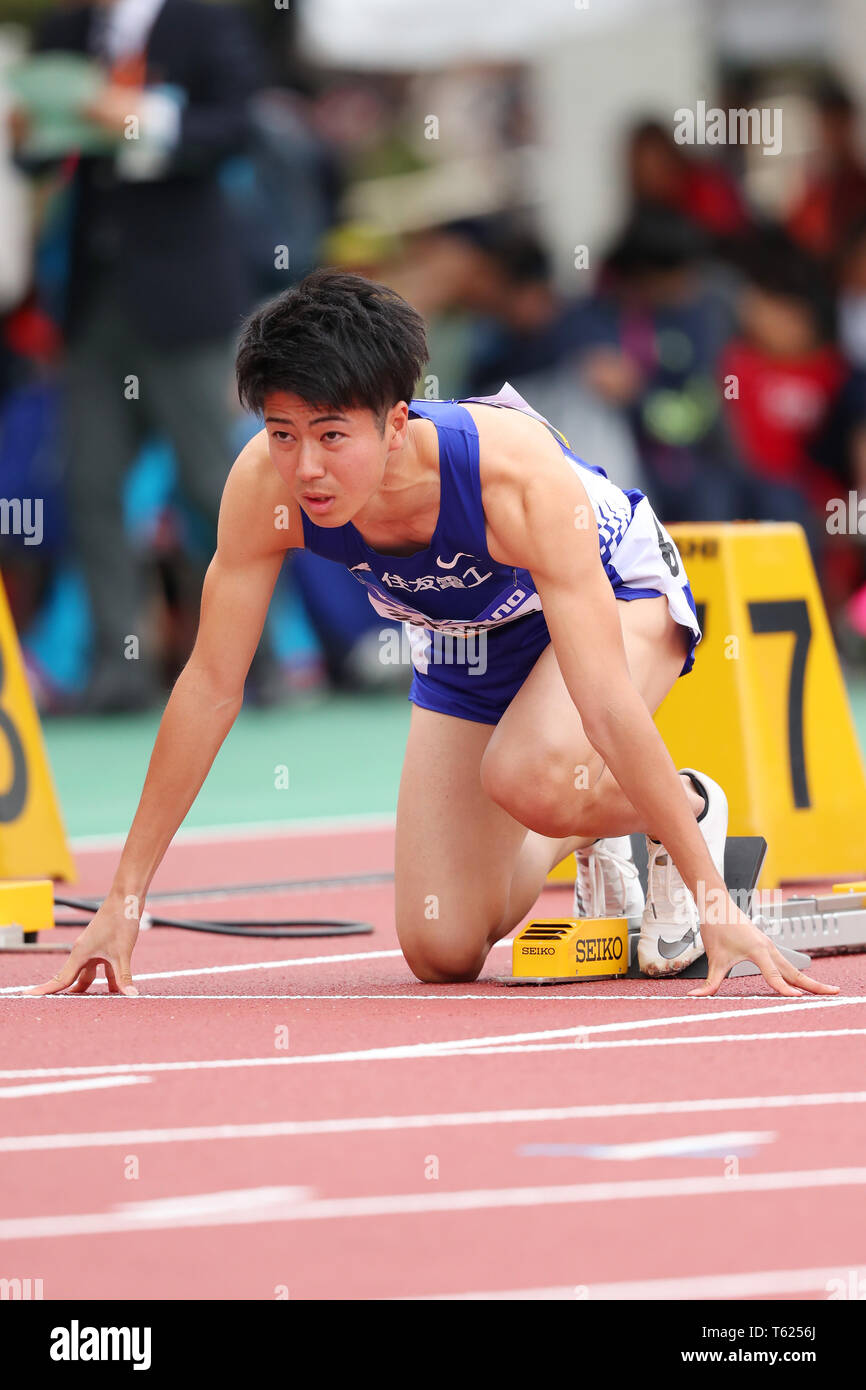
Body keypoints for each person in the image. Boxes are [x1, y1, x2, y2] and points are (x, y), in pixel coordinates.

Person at [29, 270, 837, 1001]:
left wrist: (713, 902)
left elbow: (607, 704)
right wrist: (122, 899)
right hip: (463, 637)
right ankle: (604, 831)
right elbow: (209, 686)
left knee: (531, 773)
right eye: (283, 433)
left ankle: (689, 812)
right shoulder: (262, 489)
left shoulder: (510, 479)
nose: (304, 467)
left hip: (615, 593)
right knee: (441, 942)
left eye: (331, 435)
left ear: (396, 423)